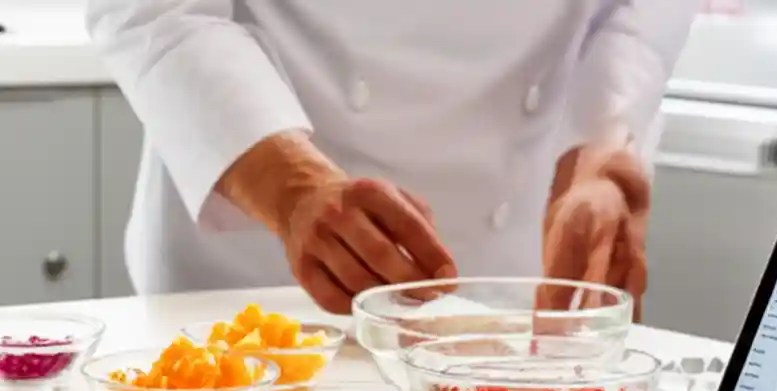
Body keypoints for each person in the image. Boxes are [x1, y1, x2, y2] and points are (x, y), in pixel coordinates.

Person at [86, 1, 697, 318]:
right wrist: (293, 190)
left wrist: (600, 149)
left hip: (508, 281)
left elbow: (638, 17)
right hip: (260, 275)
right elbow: (157, 13)